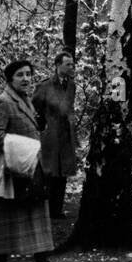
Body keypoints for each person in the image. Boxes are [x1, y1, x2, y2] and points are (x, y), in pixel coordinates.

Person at [0, 59, 71, 262]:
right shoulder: (4, 102)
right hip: (8, 173)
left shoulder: (25, 100)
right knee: (2, 226)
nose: (26, 79)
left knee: (37, 221)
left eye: (28, 74)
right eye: (20, 75)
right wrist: (25, 149)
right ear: (10, 79)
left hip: (29, 172)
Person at [33, 50, 78, 220]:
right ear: (58, 65)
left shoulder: (72, 85)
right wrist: (41, 127)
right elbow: (33, 109)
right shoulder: (44, 86)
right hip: (50, 136)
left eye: (72, 64)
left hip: (66, 135)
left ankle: (57, 210)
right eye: (68, 64)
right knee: (48, 173)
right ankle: (44, 210)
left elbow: (70, 109)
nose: (71, 67)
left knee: (63, 172)